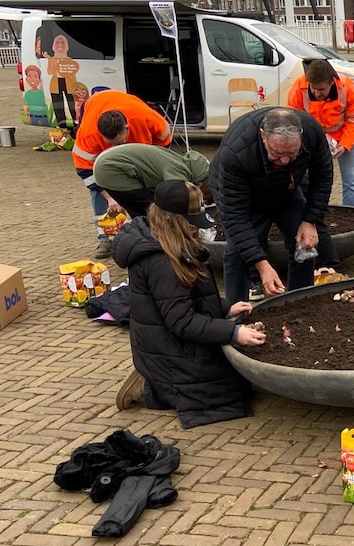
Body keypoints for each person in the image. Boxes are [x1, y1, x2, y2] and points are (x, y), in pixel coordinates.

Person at [112, 180, 265, 428]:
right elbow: (182, 322)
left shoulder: (170, 244)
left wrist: (226, 308)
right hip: (169, 348)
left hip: (168, 340)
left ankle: (154, 377)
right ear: (175, 220)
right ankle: (152, 389)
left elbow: (188, 301)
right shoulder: (161, 262)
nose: (197, 227)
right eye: (192, 221)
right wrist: (233, 332)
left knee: (236, 376)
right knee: (224, 393)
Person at [209, 107, 334, 303]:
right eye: (277, 153)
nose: (284, 160)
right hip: (243, 193)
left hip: (285, 189)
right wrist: (262, 266)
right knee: (237, 253)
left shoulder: (312, 130)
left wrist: (311, 220)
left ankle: (300, 304)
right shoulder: (235, 153)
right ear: (263, 136)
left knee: (305, 244)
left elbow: (323, 177)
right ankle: (237, 312)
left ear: (301, 136)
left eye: (292, 153)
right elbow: (235, 217)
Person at [73, 90, 173, 259]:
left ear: (127, 128)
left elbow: (164, 138)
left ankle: (154, 230)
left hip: (137, 137)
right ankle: (106, 238)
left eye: (119, 143)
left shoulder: (146, 119)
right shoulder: (89, 135)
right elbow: (85, 171)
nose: (115, 149)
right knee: (98, 183)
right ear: (100, 134)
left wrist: (152, 166)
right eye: (110, 144)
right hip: (95, 106)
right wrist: (110, 197)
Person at [288, 60, 354, 207]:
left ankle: (352, 213)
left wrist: (344, 145)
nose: (317, 93)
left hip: (344, 136)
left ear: (331, 82)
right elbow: (294, 121)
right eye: (313, 88)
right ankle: (308, 213)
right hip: (313, 140)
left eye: (321, 89)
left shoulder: (346, 87)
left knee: (350, 181)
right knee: (308, 179)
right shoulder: (298, 88)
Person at [94, 144, 212, 218]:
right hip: (112, 170)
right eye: (203, 198)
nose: (201, 201)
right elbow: (174, 203)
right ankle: (153, 243)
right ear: (199, 184)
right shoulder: (179, 174)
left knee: (149, 210)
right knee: (150, 213)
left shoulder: (183, 164)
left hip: (109, 163)